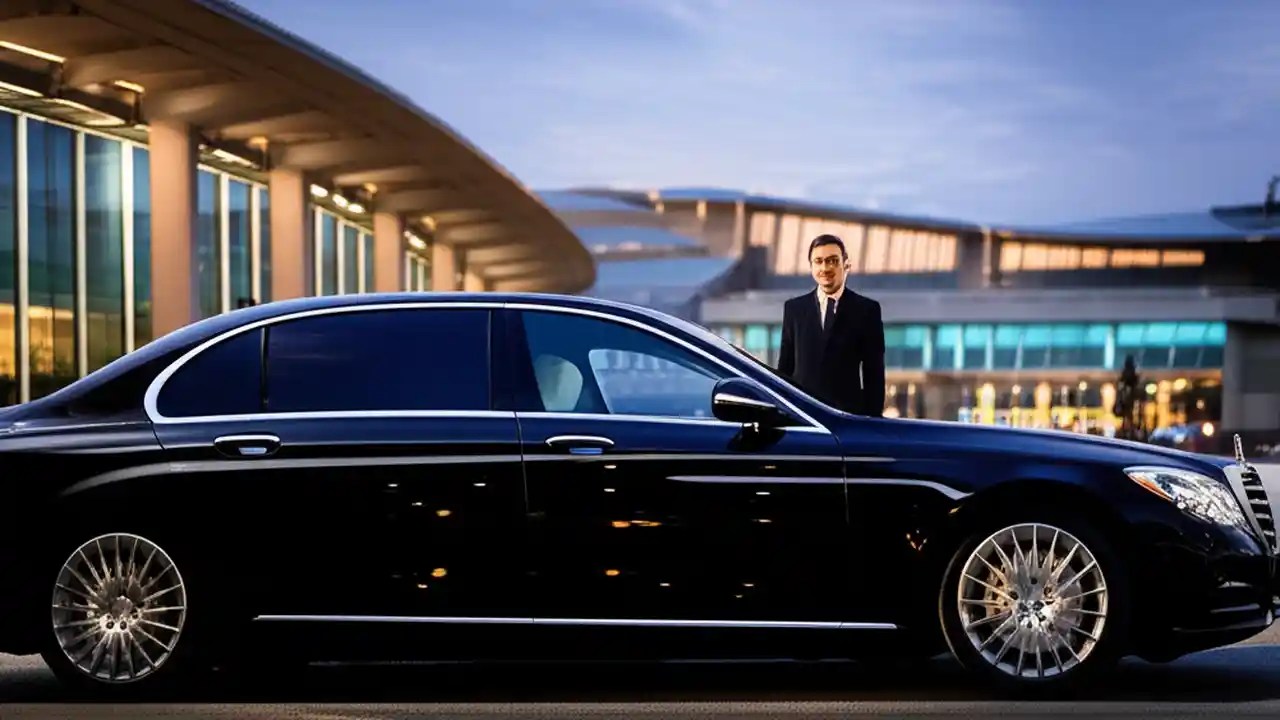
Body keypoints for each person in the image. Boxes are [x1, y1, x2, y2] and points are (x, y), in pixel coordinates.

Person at [777, 234, 885, 416]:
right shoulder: (794, 309)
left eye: (833, 261)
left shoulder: (867, 310)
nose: (825, 268)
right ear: (811, 266)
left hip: (847, 420)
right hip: (802, 418)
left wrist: (872, 423)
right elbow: (784, 370)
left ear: (846, 265)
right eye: (818, 261)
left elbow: (874, 375)